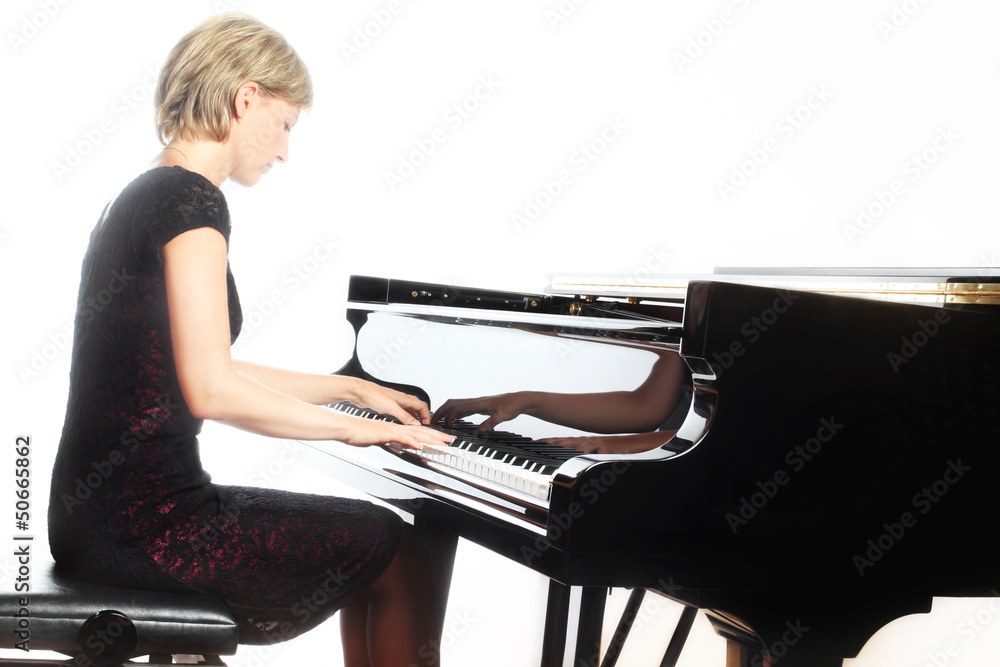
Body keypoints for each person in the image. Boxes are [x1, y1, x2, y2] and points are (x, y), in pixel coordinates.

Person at [47, 13, 456, 666]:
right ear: (247, 98)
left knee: (376, 543)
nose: (286, 150)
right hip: (151, 525)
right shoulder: (192, 201)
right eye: (287, 124)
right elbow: (212, 390)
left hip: (95, 518)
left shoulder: (141, 193)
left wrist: (352, 389)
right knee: (396, 547)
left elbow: (201, 364)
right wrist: (358, 429)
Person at [433, 350, 689, 454]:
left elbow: (729, 448)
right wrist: (525, 401)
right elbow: (646, 408)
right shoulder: (701, 312)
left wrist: (610, 446)